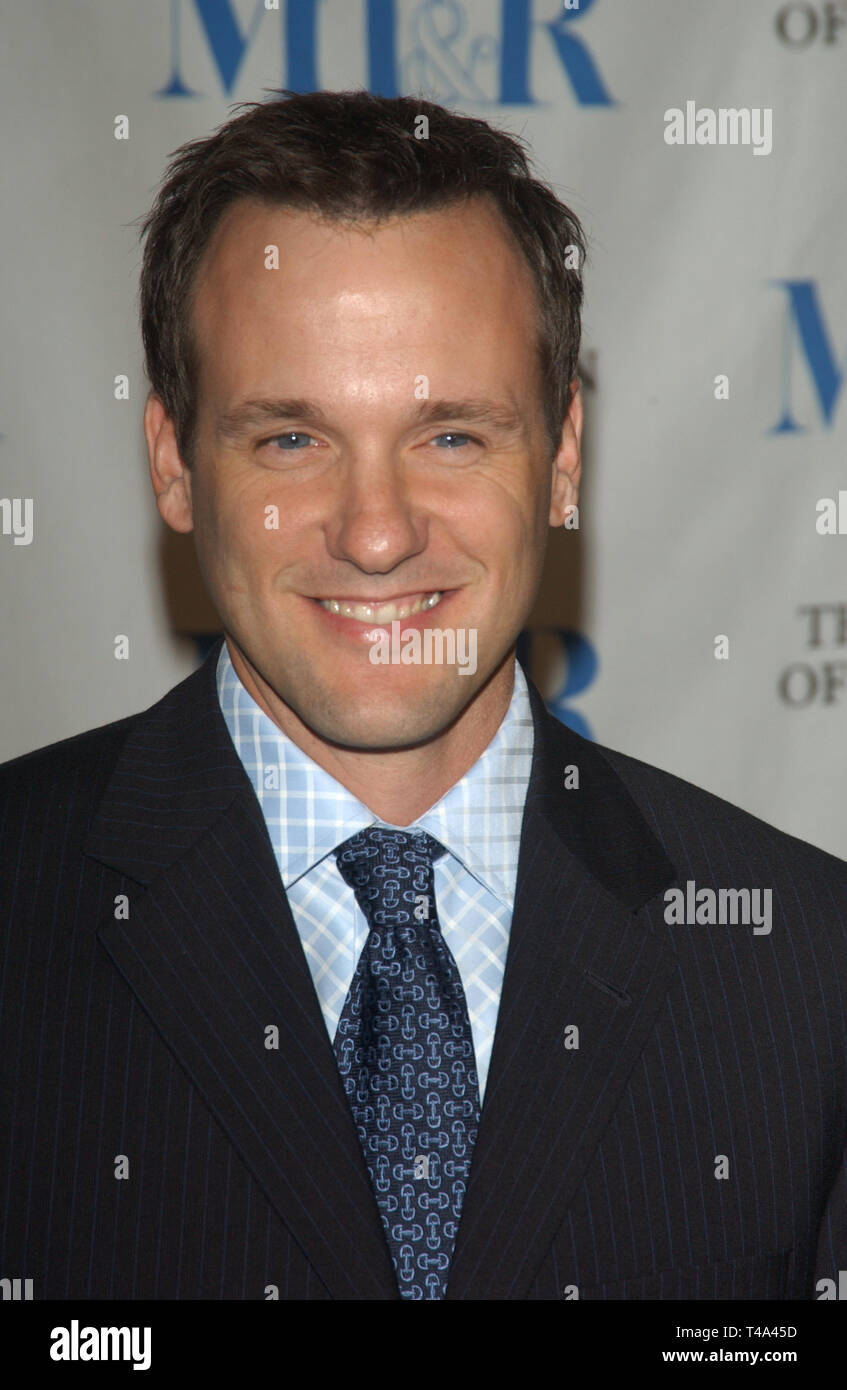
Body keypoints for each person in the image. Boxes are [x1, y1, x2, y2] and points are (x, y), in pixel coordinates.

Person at [1, 88, 846, 1303]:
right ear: (174, 465)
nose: (379, 533)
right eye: (290, 438)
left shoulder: (805, 974)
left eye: (450, 435)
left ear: (560, 461)